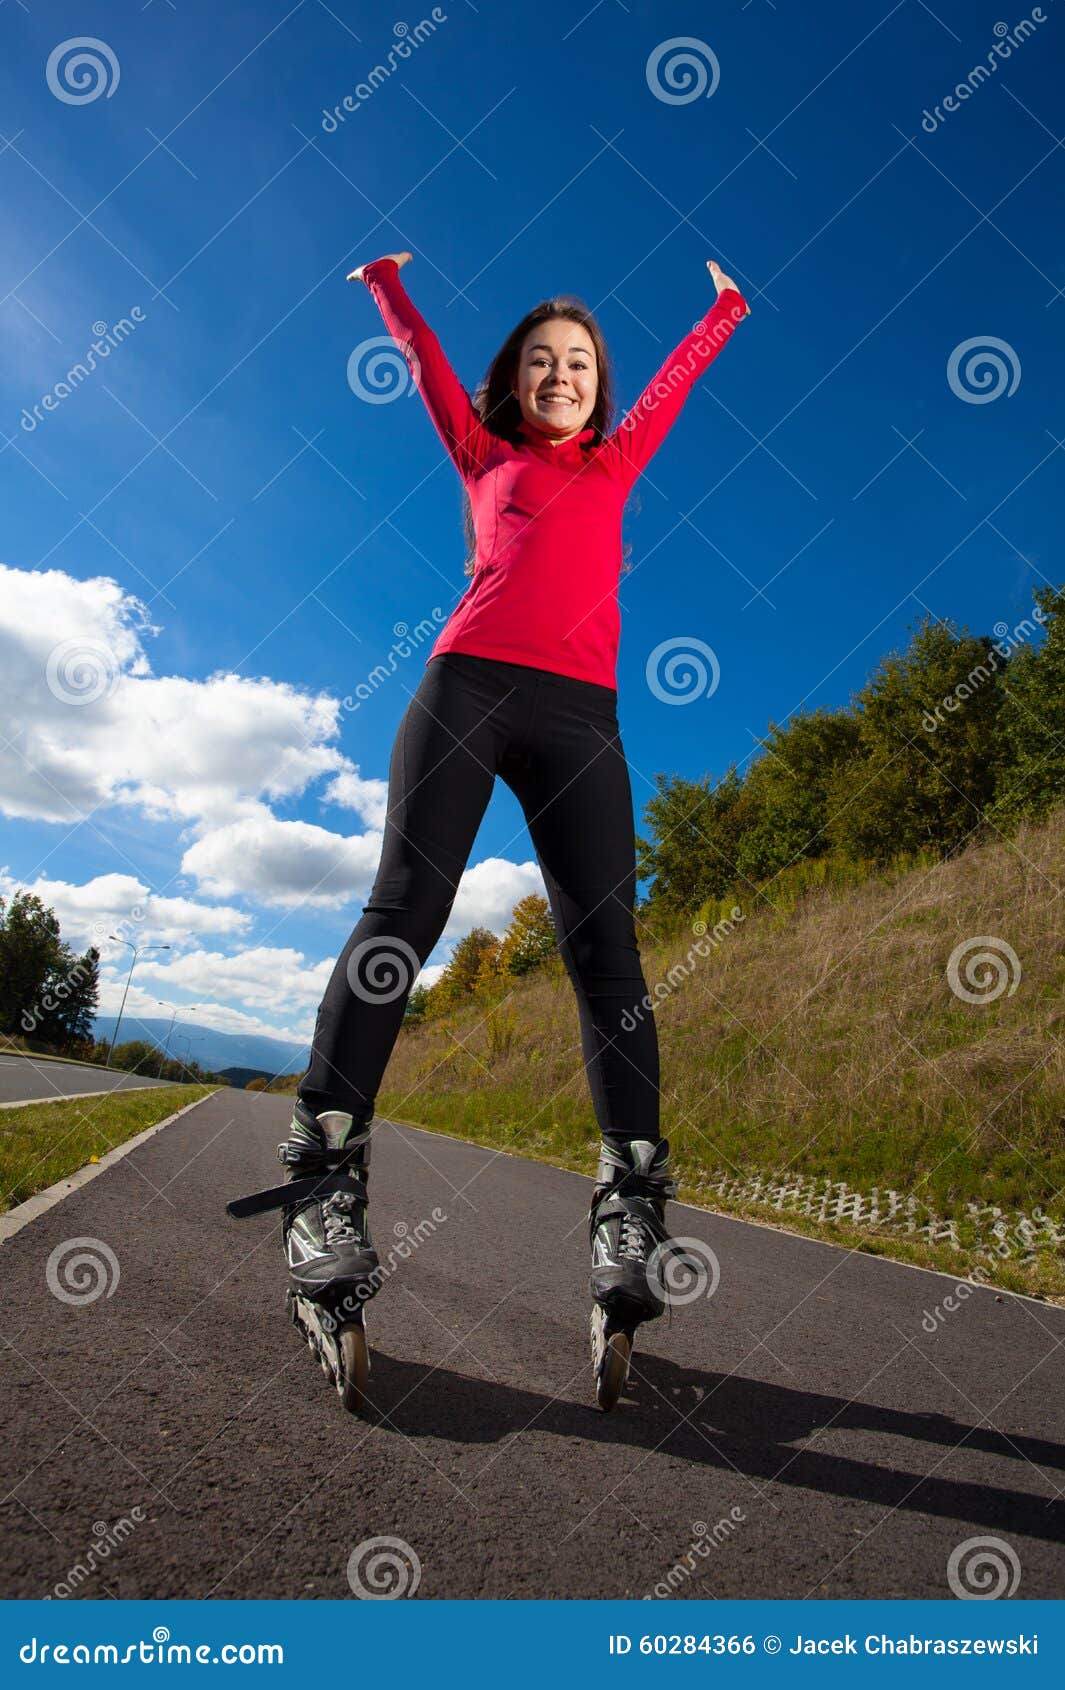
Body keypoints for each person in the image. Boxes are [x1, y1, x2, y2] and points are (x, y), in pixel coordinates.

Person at [253, 249, 749, 1389]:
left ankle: (630, 1198)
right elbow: (424, 367)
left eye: (577, 362)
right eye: (539, 360)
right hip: (466, 687)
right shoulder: (484, 454)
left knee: (606, 947)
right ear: (513, 383)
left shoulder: (617, 463)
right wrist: (384, 285)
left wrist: (721, 311)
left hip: (582, 717)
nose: (559, 373)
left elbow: (672, 382)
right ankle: (323, 1172)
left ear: (594, 385)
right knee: (408, 907)